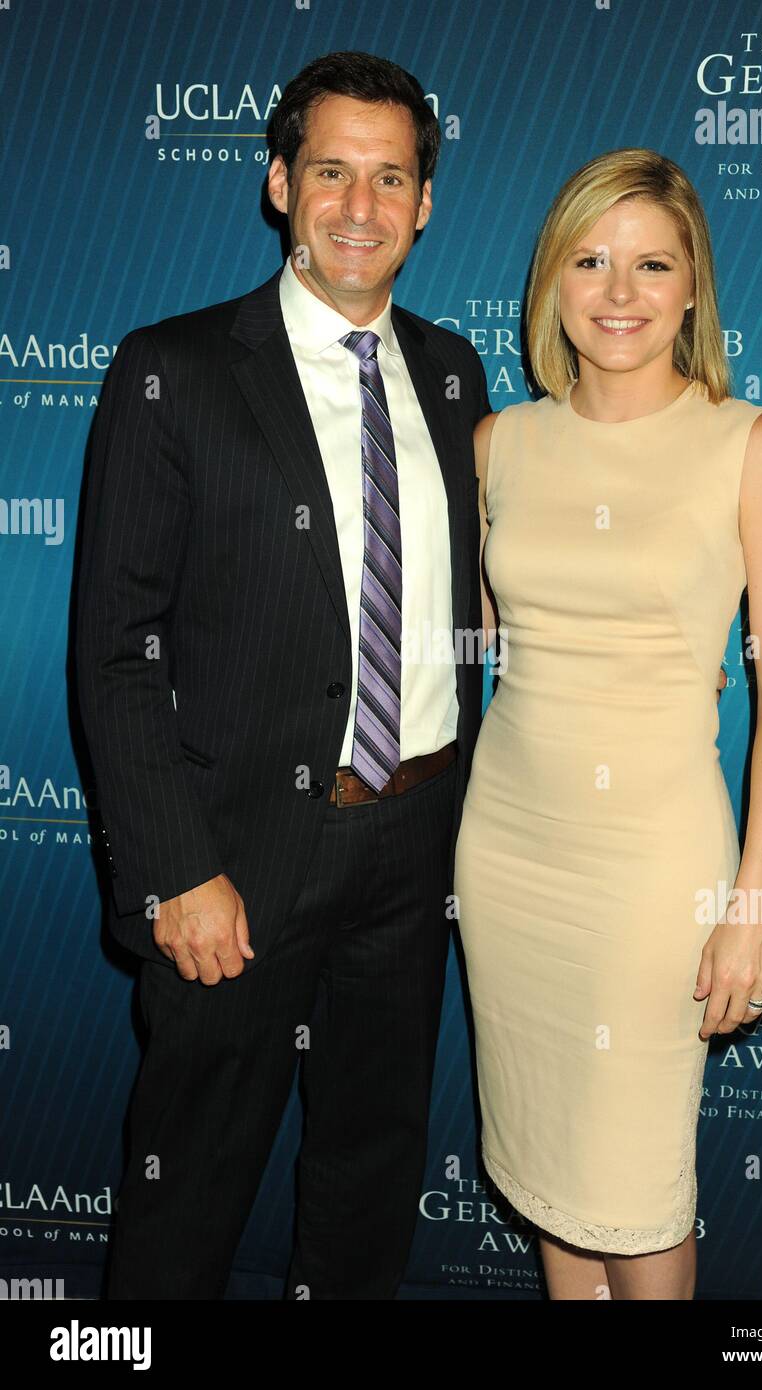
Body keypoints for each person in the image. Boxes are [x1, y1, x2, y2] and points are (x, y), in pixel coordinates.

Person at [75, 51, 489, 1300]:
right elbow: (112, 647)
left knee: (370, 1180)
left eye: (389, 177)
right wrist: (174, 870)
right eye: (329, 173)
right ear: (276, 184)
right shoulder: (176, 369)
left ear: (424, 202)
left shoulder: (456, 372)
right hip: (234, 861)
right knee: (187, 1190)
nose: (358, 207)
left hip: (411, 847)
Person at [453, 147, 762, 1301]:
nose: (620, 292)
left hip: (652, 864)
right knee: (547, 1168)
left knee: (633, 1185)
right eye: (592, 259)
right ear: (552, 281)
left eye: (651, 263)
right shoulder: (499, 443)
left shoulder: (752, 448)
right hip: (508, 847)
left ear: (692, 285)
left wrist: (753, 905)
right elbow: (478, 651)